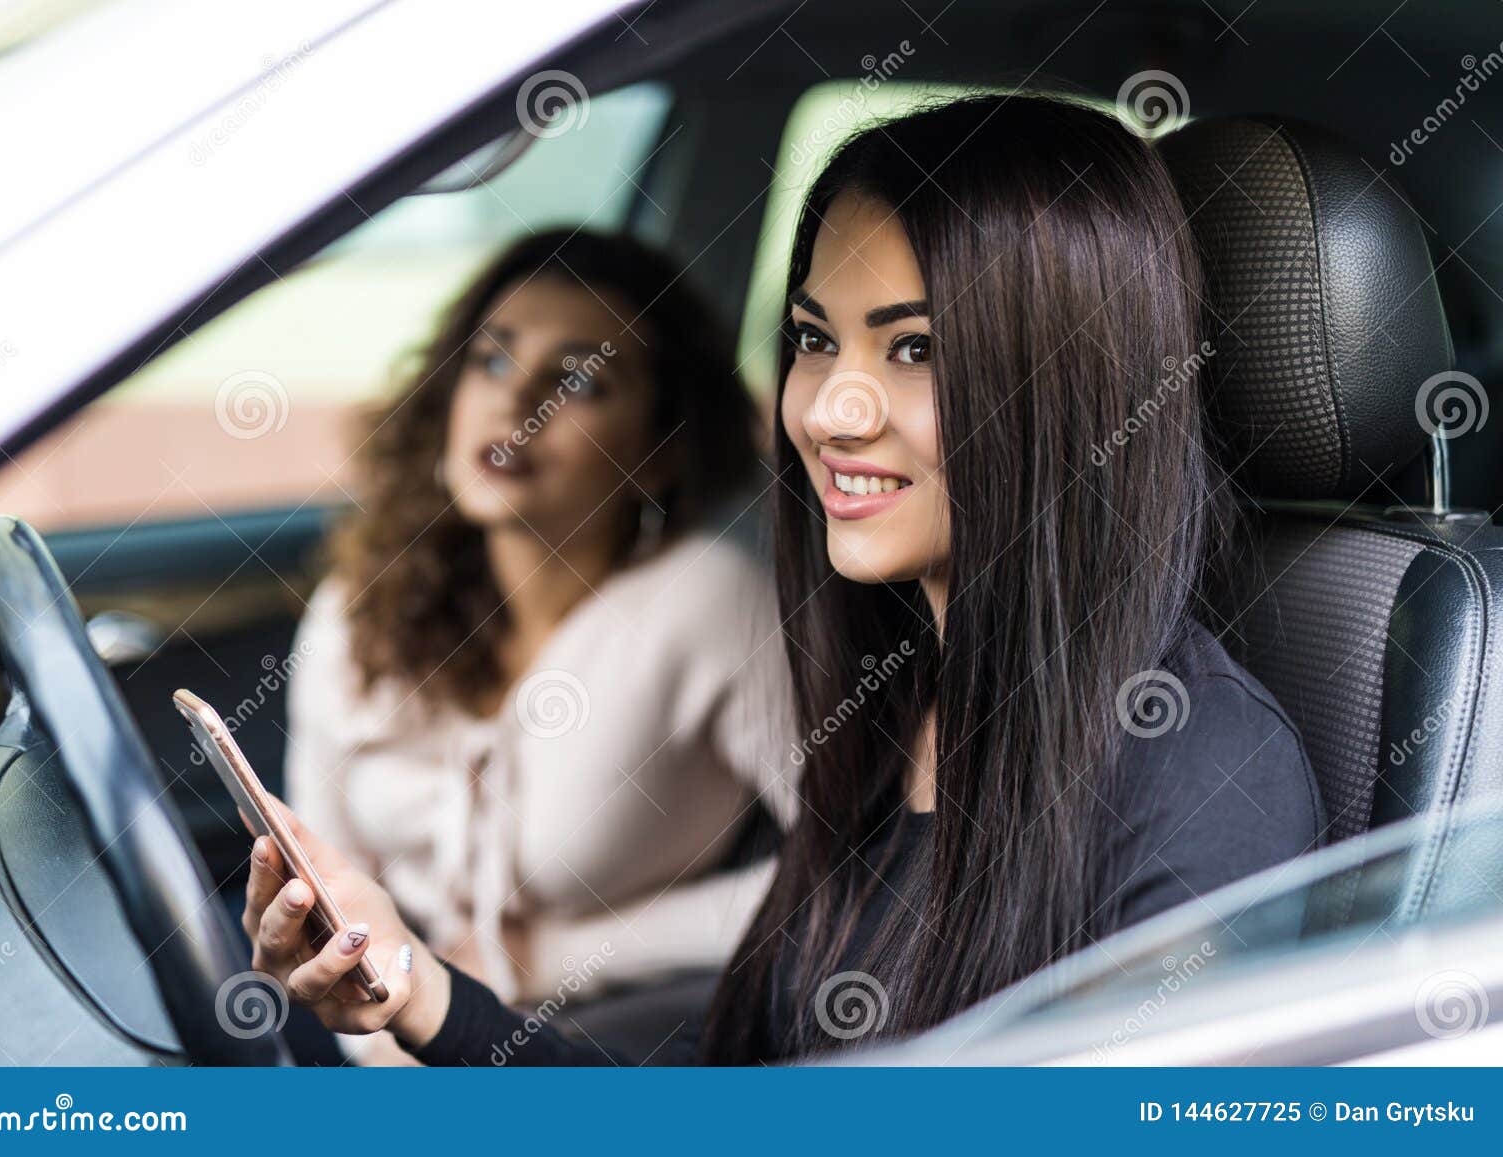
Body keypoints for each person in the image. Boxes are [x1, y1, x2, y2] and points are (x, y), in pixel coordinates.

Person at [247, 94, 1323, 1065]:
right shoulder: (887, 706)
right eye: (815, 340)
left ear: (1074, 387)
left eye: (915, 351)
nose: (827, 410)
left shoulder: (1203, 773)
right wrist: (425, 992)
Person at [282, 230, 797, 1060]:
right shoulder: (358, 607)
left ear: (662, 451)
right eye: (491, 361)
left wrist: (560, 956)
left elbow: (860, 876)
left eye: (579, 380)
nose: (517, 403)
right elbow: (328, 870)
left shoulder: (713, 603)